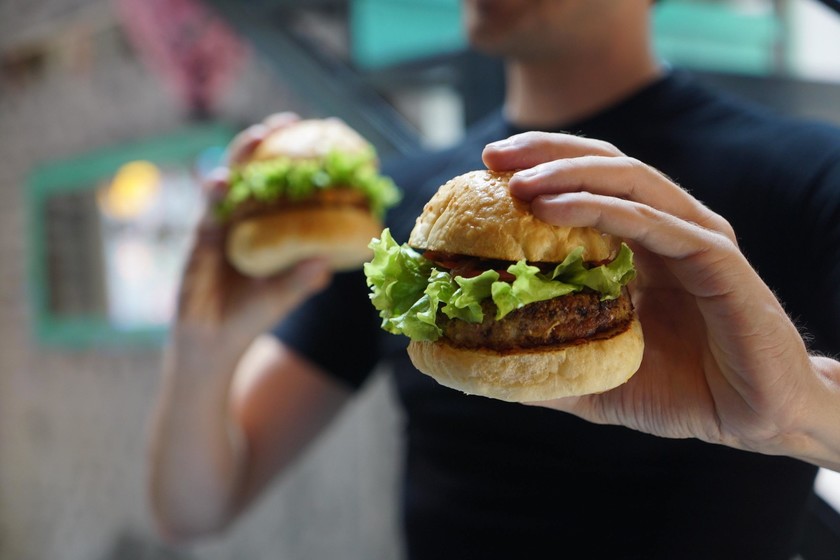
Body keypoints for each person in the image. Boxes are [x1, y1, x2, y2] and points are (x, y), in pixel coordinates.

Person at [147, 1, 840, 558]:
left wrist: (800, 411)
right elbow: (197, 507)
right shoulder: (405, 208)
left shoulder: (813, 174)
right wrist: (203, 346)